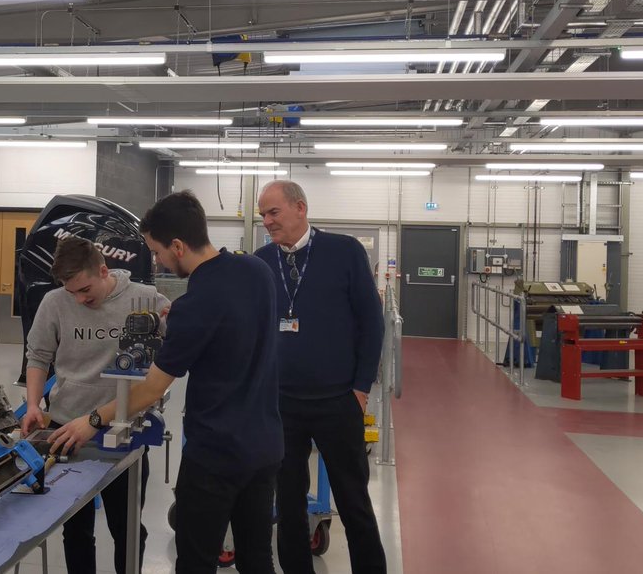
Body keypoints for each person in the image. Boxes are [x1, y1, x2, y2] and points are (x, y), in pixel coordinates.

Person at [49, 190, 283, 574]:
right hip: (265, 447)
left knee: (195, 562)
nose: (157, 261)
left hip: (215, 456)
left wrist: (91, 420)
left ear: (177, 246)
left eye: (157, 252)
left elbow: (150, 389)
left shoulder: (196, 304)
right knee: (257, 559)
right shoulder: (258, 270)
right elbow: (236, 336)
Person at [255, 179, 387, 574]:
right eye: (262, 215)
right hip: (282, 405)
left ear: (300, 208)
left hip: (338, 401)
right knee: (288, 504)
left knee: (354, 501)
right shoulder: (262, 261)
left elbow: (372, 323)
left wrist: (361, 388)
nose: (267, 221)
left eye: (273, 212)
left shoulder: (345, 251)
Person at [22, 236, 169, 574]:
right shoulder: (54, 302)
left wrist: (175, 320)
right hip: (66, 430)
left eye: (85, 289)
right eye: (71, 291)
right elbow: (38, 356)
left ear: (103, 271)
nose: (79, 299)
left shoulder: (145, 298)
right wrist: (32, 404)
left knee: (127, 528)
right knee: (76, 529)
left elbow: (176, 339)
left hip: (125, 432)